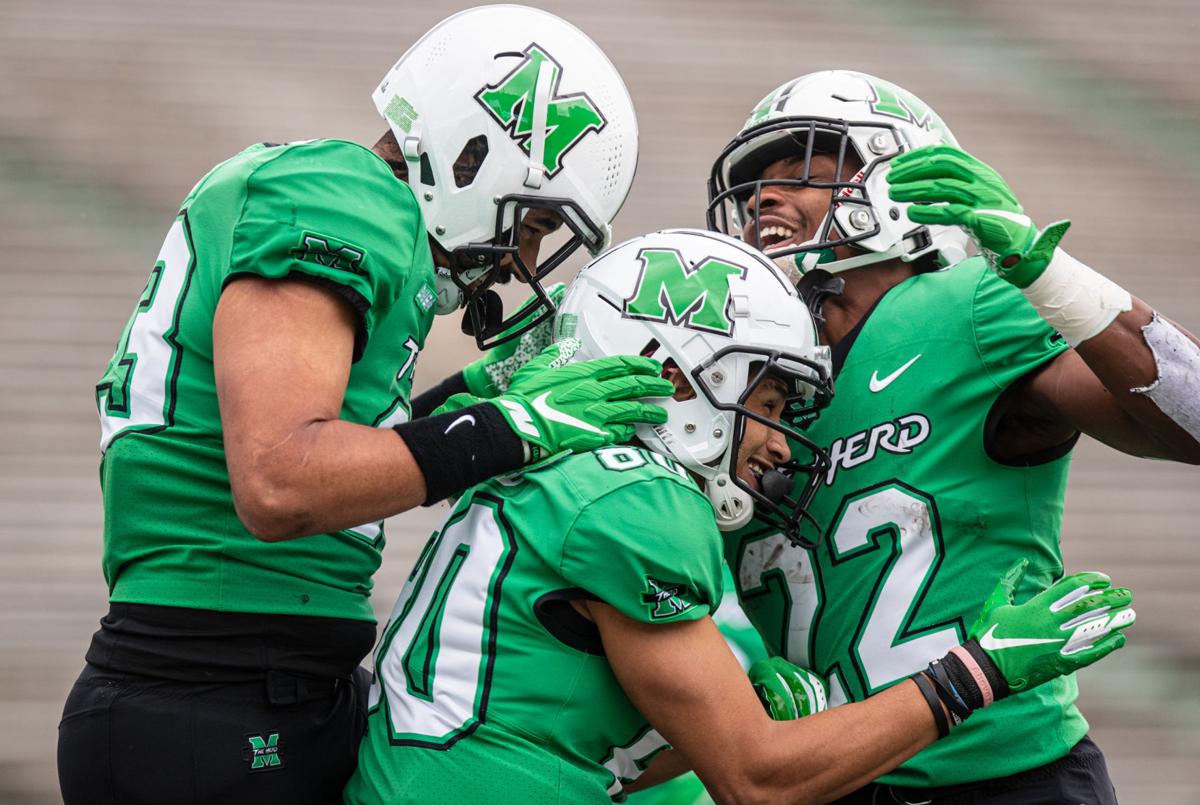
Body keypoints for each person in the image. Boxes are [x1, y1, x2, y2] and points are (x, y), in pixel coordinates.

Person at [56, 7, 672, 804]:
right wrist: (513, 428)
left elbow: (331, 439)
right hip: (218, 694)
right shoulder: (347, 198)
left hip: (236, 686)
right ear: (475, 153)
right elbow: (282, 477)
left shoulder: (354, 211)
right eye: (537, 222)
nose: (522, 258)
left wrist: (471, 399)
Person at [343, 228, 1134, 804]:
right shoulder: (639, 500)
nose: (780, 441)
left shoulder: (555, 462)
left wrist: (744, 705)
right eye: (767, 400)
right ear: (681, 380)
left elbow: (568, 729)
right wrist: (978, 670)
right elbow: (760, 779)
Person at [707, 69, 1200, 803]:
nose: (764, 200)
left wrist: (1047, 272)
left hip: (1004, 780)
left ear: (896, 187)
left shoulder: (961, 304)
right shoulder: (736, 381)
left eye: (803, 169)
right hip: (827, 777)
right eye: (755, 188)